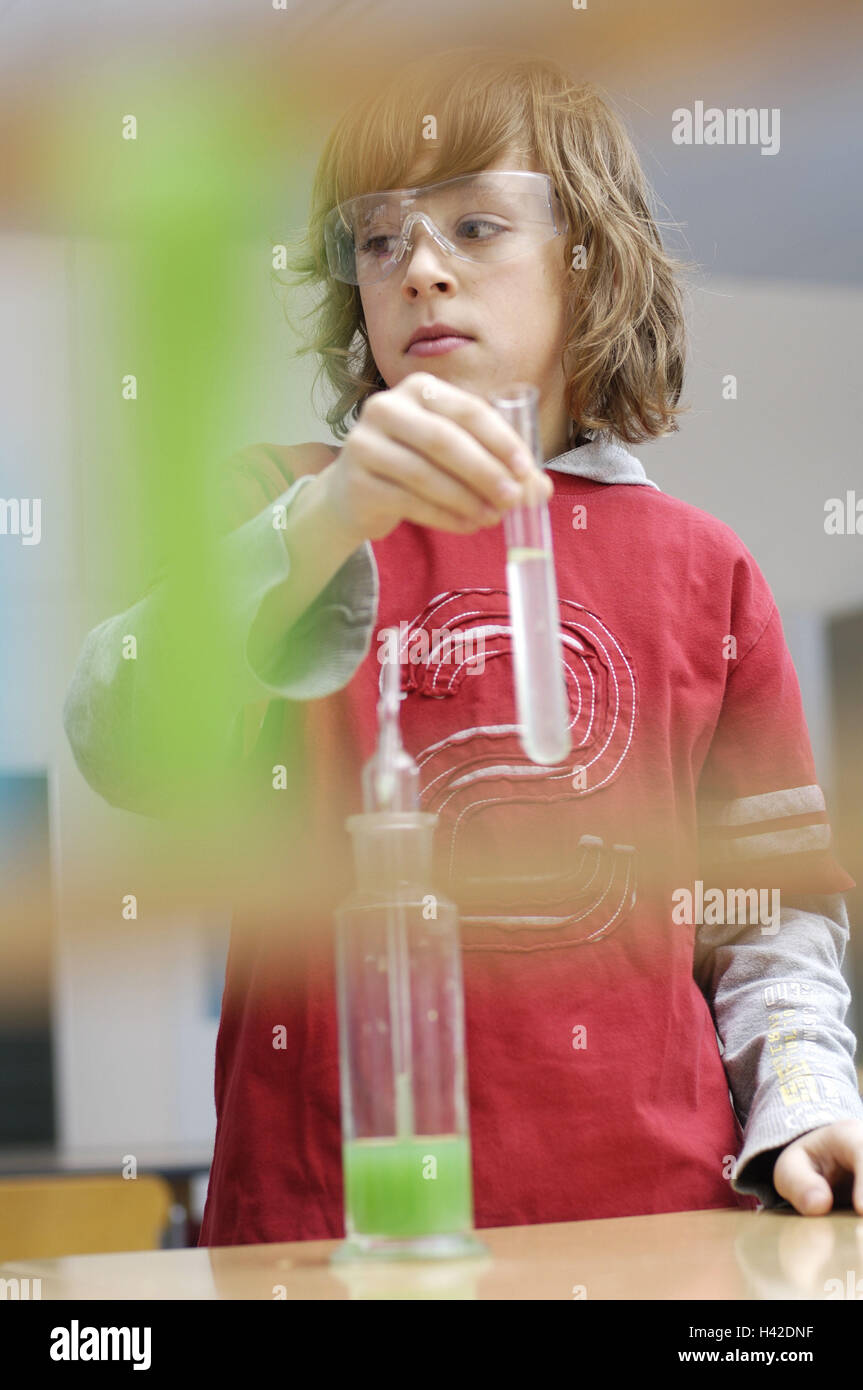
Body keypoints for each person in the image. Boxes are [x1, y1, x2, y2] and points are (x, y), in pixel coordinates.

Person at [63, 48, 863, 1244]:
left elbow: (773, 914)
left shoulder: (707, 572)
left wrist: (805, 1106)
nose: (420, 268)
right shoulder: (284, 510)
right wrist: (326, 517)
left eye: (474, 225)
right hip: (327, 1231)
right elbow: (117, 728)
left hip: (644, 1227)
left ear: (587, 265)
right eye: (377, 241)